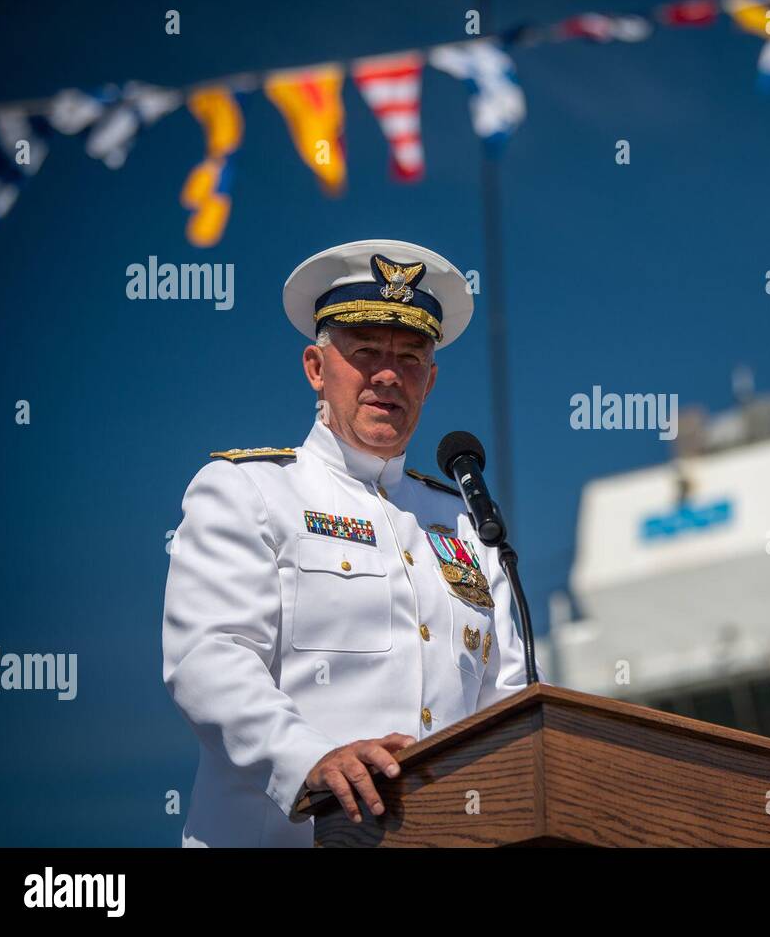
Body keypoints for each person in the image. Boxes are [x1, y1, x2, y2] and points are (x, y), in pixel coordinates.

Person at [162, 239, 543, 847]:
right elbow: (209, 658)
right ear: (316, 368)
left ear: (430, 380)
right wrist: (309, 760)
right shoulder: (249, 491)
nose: (389, 374)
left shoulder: (467, 525)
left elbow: (510, 704)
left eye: (411, 357)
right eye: (365, 351)